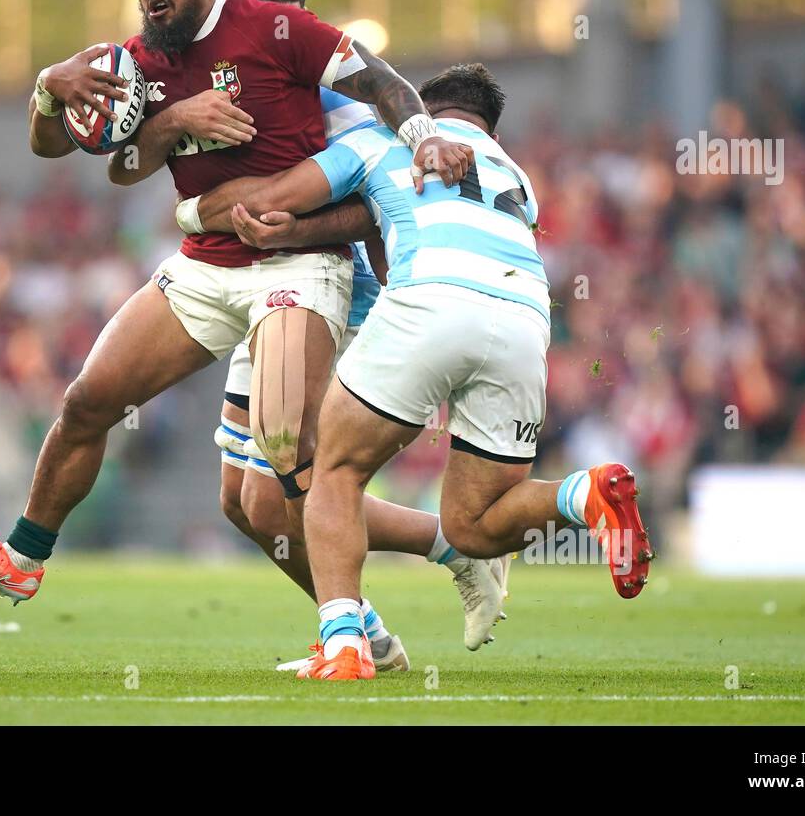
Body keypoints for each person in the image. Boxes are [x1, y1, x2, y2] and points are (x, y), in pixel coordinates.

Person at [0, 0, 503, 652]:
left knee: (287, 452)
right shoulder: (134, 63)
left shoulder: (278, 30)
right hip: (208, 265)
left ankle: (351, 634)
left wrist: (422, 136)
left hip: (302, 266)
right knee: (94, 403)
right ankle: (21, 557)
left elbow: (384, 92)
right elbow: (111, 161)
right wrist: (52, 91)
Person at [180, 63, 653, 679]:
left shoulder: (386, 139)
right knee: (476, 523)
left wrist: (194, 212)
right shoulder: (517, 176)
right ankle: (584, 494)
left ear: (421, 115)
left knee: (331, 470)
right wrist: (303, 229)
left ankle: (348, 644)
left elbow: (272, 198)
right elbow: (387, 210)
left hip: (431, 298)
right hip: (525, 318)